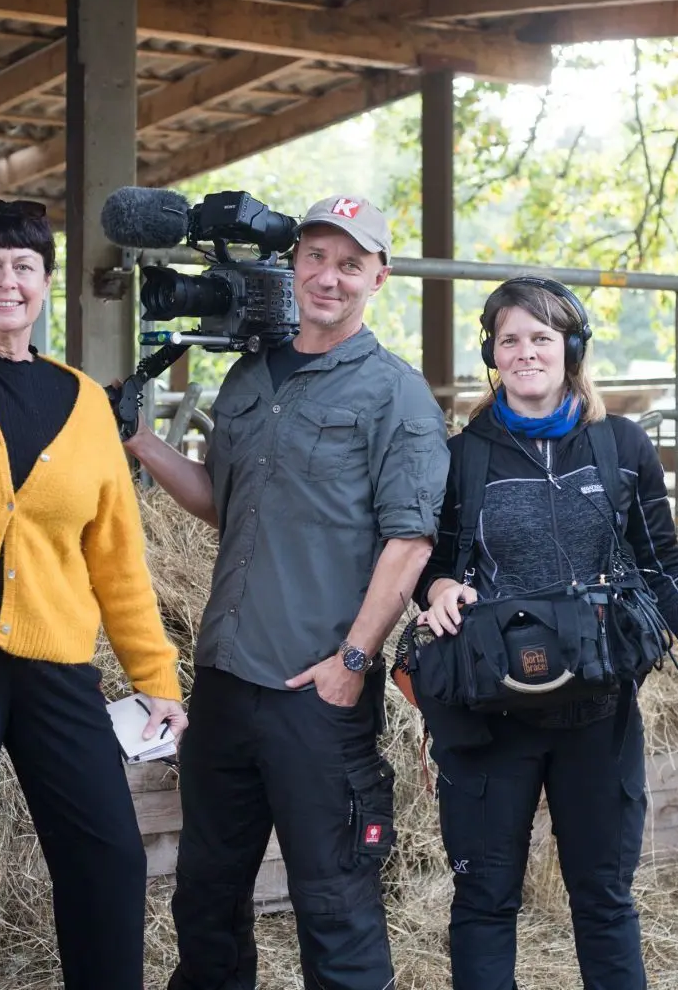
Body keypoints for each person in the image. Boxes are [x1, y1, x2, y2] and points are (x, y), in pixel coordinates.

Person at [411, 276, 678, 990]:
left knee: (604, 900)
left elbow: (661, 564)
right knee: (483, 901)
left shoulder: (621, 447)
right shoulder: (463, 456)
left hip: (598, 712)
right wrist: (439, 587)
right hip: (491, 718)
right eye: (509, 339)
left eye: (541, 337)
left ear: (571, 348)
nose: (525, 353)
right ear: (491, 351)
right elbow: (435, 562)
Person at [123, 195, 450, 989]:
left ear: (380, 275)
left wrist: (352, 662)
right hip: (228, 682)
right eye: (314, 257)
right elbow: (219, 501)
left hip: (316, 693)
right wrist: (135, 437)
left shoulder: (394, 393)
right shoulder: (248, 375)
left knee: (333, 907)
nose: (327, 277)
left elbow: (409, 542)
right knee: (205, 901)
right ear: (293, 263)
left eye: (348, 263)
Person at [0, 199, 187, 990]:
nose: (5, 281)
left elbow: (117, 556)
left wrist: (155, 676)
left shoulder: (86, 402)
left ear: (46, 283)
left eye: (23, 266)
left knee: (109, 854)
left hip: (54, 660)